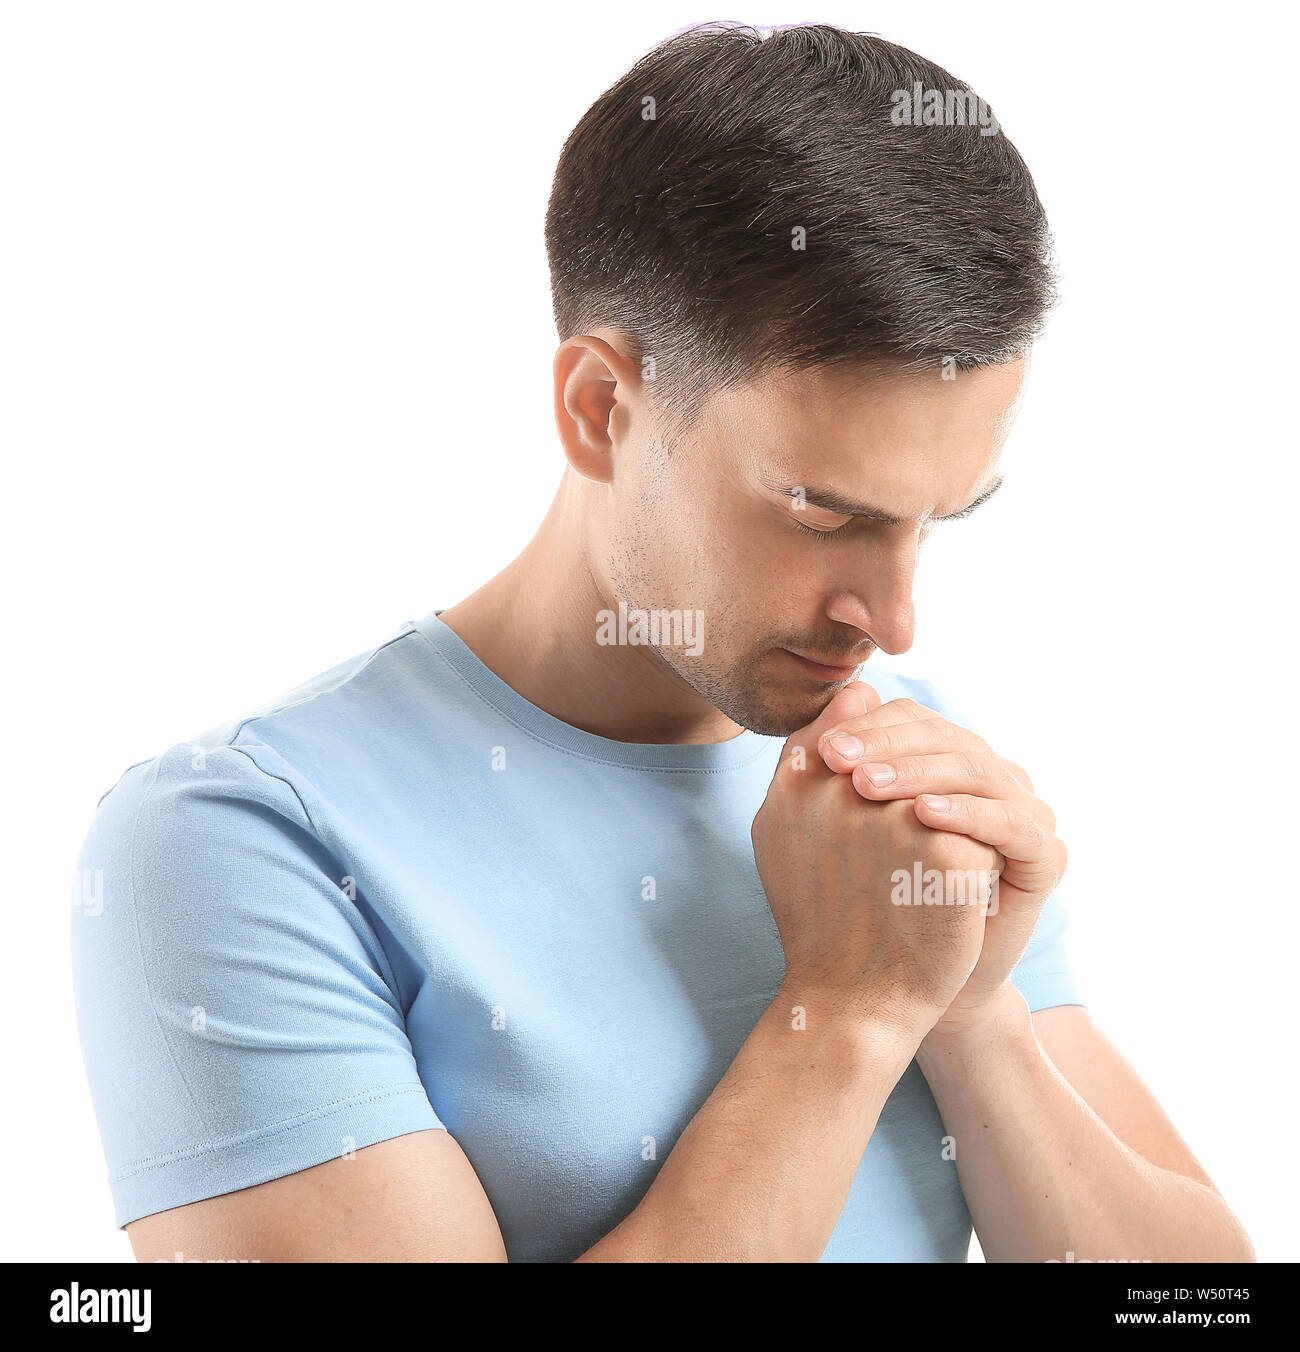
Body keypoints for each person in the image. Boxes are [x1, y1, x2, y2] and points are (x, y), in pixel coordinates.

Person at [71, 22, 1253, 1262]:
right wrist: (847, 1013)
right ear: (600, 408)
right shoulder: (246, 839)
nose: (894, 620)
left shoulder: (899, 773)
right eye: (822, 511)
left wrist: (969, 1016)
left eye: (934, 521)